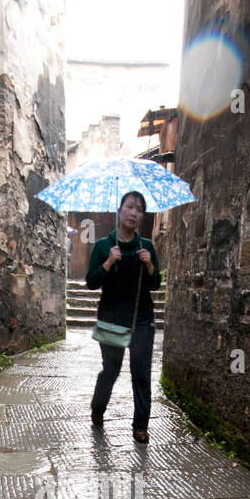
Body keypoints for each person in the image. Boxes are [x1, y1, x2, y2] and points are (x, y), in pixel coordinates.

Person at [86, 190, 160, 444]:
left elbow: (156, 284)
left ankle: (140, 426)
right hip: (111, 318)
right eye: (130, 207)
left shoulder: (146, 247)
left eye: (140, 209)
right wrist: (108, 263)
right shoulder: (104, 246)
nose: (134, 213)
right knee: (111, 371)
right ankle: (98, 407)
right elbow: (91, 282)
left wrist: (149, 265)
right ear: (120, 210)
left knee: (141, 373)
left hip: (141, 319)